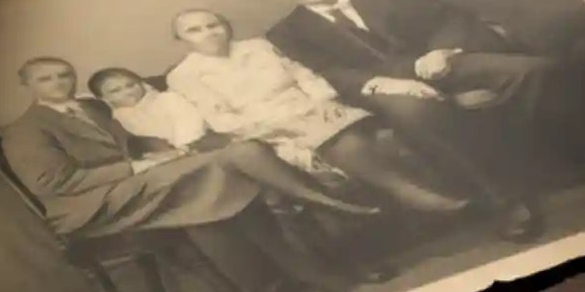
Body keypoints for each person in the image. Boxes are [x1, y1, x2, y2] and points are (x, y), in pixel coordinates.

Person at [0, 56, 366, 292]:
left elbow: (145, 129)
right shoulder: (25, 130)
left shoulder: (96, 107)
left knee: (213, 181)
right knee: (222, 167)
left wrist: (167, 150)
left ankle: (293, 280)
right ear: (26, 84)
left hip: (150, 181)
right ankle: (322, 211)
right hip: (94, 205)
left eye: (63, 74)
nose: (58, 83)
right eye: (45, 78)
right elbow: (52, 183)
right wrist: (135, 168)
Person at [263, 0, 552, 238]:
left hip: (437, 64)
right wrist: (390, 85)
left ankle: (532, 156)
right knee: (416, 112)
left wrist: (440, 51)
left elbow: (449, 19)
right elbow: (324, 71)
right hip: (380, 90)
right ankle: (502, 198)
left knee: (531, 71)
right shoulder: (285, 33)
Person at [164, 9, 472, 214]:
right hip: (267, 128)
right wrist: (283, 125)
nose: (208, 33)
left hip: (311, 106)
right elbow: (221, 119)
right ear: (181, 41)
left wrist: (323, 101)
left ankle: (412, 191)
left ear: (226, 27)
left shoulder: (257, 46)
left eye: (213, 25)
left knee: (340, 123)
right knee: (333, 137)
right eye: (194, 30)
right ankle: (406, 192)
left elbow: (303, 75)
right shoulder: (184, 75)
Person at [86, 66, 381, 217]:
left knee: (274, 153)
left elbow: (189, 124)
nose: (127, 93)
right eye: (115, 91)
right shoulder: (120, 120)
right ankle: (298, 201)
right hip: (183, 158)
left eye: (130, 84)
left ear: (141, 83)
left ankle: (325, 195)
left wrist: (183, 146)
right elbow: (140, 144)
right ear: (103, 99)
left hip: (205, 141)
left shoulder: (166, 98)